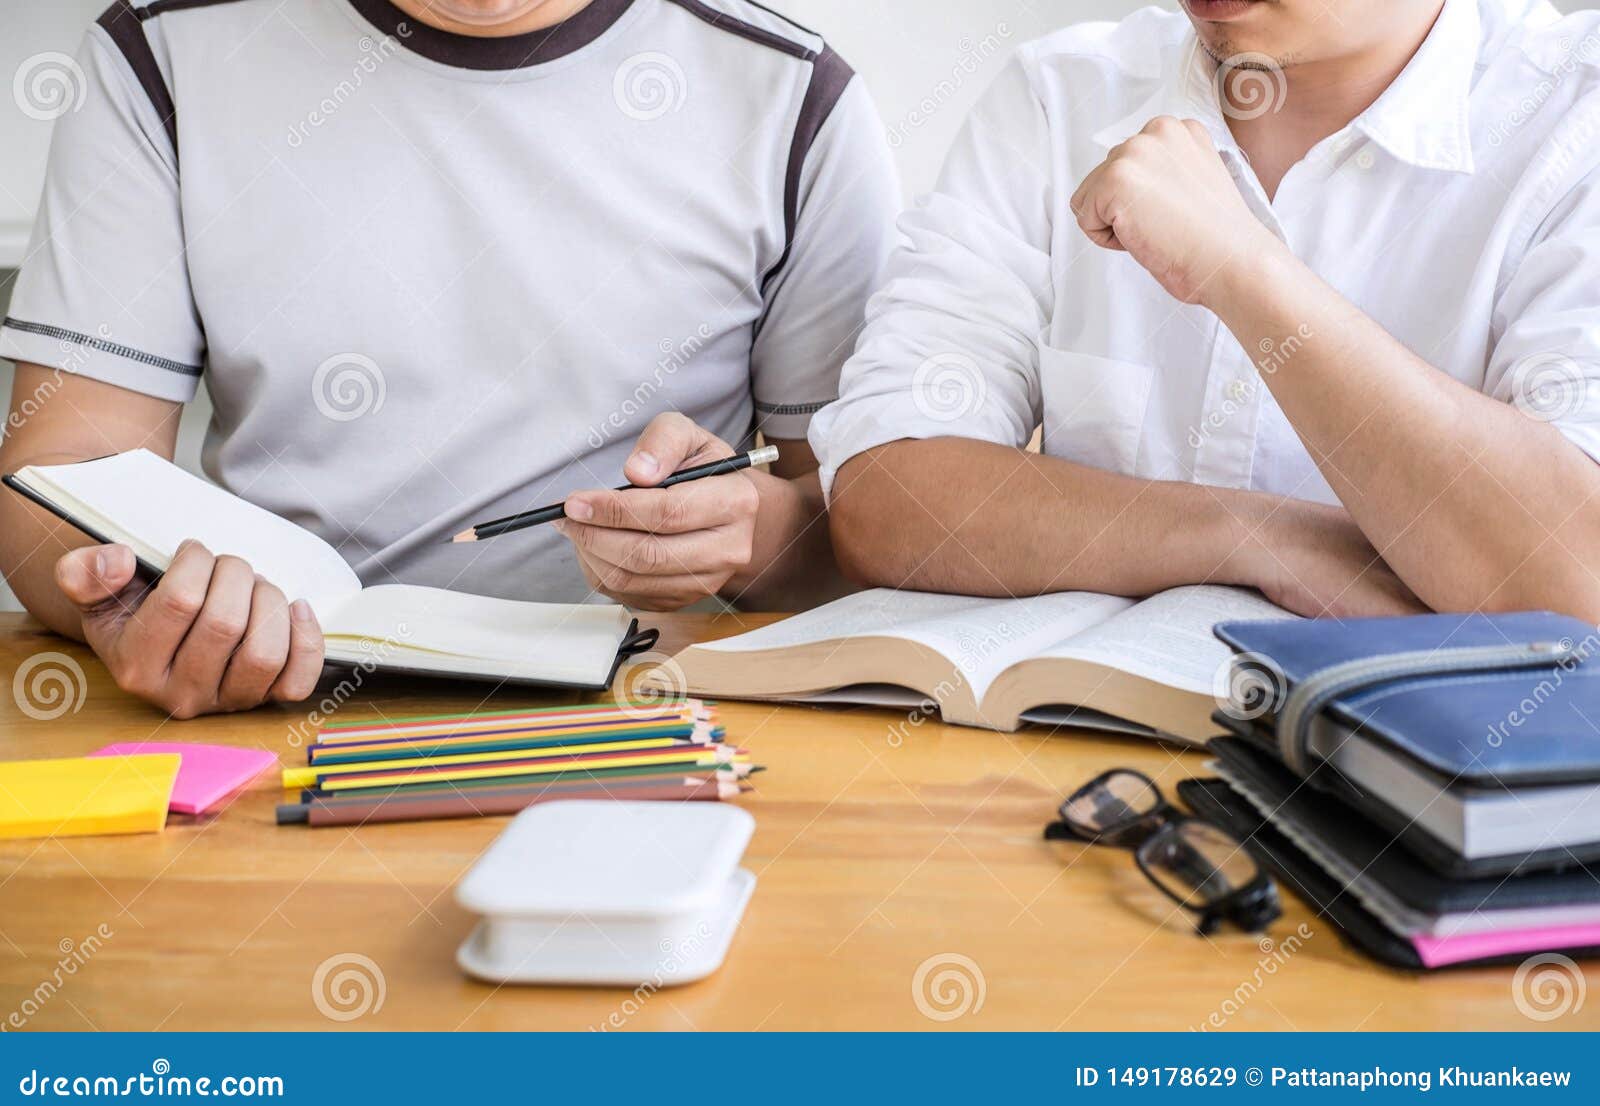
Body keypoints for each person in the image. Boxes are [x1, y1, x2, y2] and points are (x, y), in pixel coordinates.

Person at [0, 0, 898, 717]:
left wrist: (746, 535)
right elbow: (60, 473)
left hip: (641, 710)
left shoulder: (791, 98)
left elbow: (864, 526)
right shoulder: (162, 55)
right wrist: (131, 607)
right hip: (263, 696)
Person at [814, 0, 1600, 623]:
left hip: (1419, 790)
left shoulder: (1573, 117)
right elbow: (885, 497)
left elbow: (1575, 578)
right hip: (1075, 755)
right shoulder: (1060, 93)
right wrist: (1256, 538)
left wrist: (1243, 269)